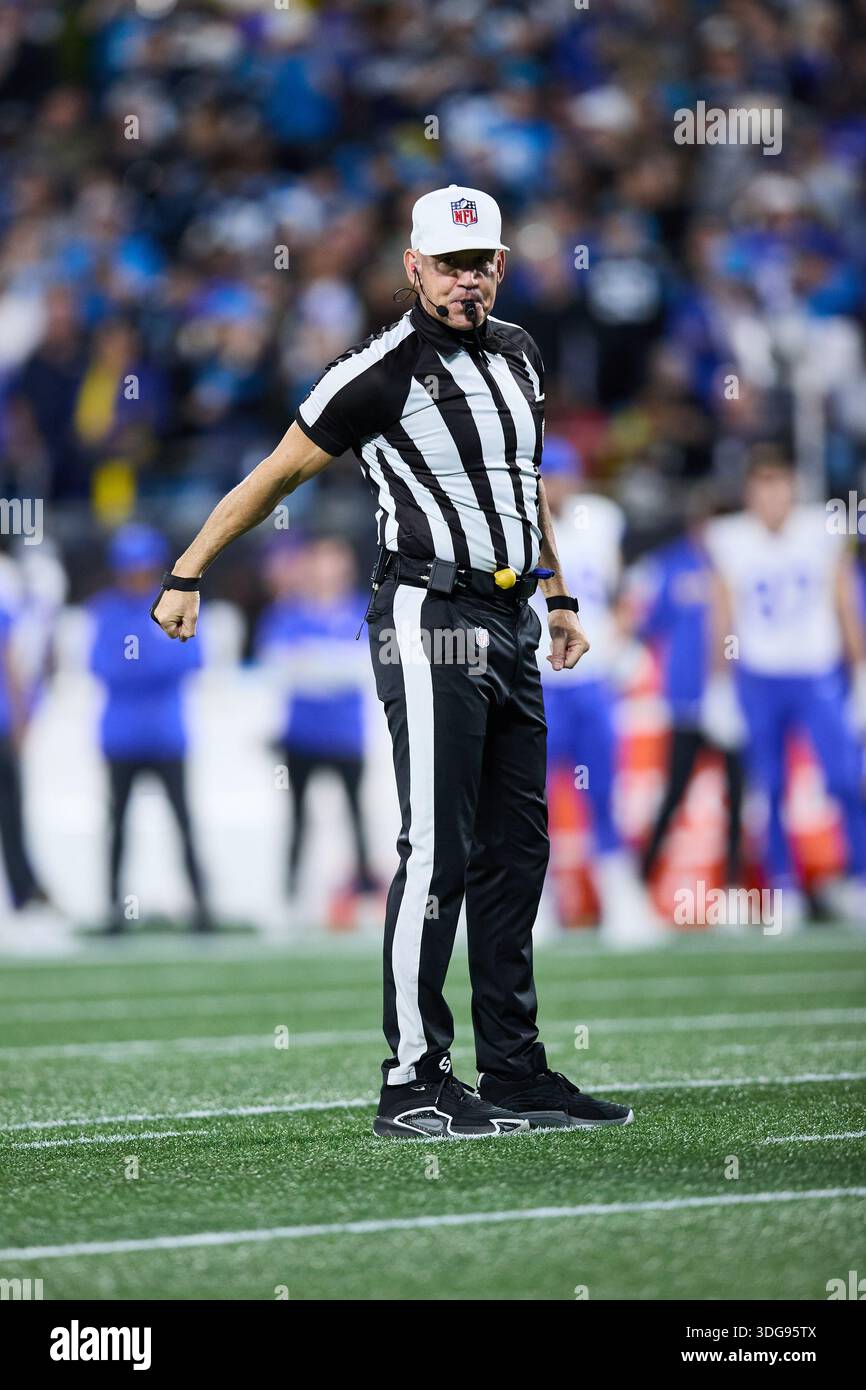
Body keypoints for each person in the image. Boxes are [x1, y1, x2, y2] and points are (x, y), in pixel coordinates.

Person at [152, 185, 634, 1138]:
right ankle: (413, 1076)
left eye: (482, 261)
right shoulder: (377, 369)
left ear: (501, 262)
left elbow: (521, 485)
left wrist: (560, 593)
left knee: (518, 849)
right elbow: (275, 473)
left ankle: (515, 1071)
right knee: (438, 845)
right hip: (428, 609)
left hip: (509, 612)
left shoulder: (520, 354)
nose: (468, 278)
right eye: (450, 264)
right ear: (413, 267)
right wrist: (188, 570)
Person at [706, 447, 866, 926]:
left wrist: (858, 671)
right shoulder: (730, 537)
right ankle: (783, 886)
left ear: (792, 487)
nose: (772, 494)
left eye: (779, 483)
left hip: (816, 673)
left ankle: (857, 878)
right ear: (750, 491)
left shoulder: (820, 530)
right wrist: (718, 681)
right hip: (759, 676)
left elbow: (844, 600)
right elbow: (723, 613)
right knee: (767, 788)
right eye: (762, 484)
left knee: (844, 777)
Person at [533, 438, 662, 944]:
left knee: (603, 796)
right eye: (548, 476)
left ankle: (621, 905)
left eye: (563, 475)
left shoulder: (601, 519)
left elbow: (627, 587)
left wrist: (623, 640)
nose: (557, 486)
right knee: (529, 803)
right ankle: (533, 909)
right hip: (540, 684)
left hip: (591, 682)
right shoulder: (517, 526)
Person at [89, 524, 212, 934]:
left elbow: (191, 660)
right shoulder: (106, 610)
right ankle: (113, 911)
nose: (136, 575)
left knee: (184, 823)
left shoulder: (173, 603)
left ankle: (201, 907)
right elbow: (102, 668)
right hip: (121, 740)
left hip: (166, 737)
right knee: (118, 827)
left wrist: (139, 667)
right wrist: (152, 664)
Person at [629, 488, 743, 894]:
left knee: (740, 799)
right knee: (674, 792)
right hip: (686, 702)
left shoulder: (741, 564)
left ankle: (733, 890)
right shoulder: (670, 564)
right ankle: (641, 885)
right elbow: (647, 625)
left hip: (734, 700)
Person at [256, 535, 378, 897]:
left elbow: (365, 666)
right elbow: (278, 666)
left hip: (346, 735)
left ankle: (365, 893)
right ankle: (291, 894)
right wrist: (328, 664)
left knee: (357, 817)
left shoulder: (363, 609)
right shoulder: (287, 612)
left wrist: (314, 663)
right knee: (297, 820)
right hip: (301, 735)